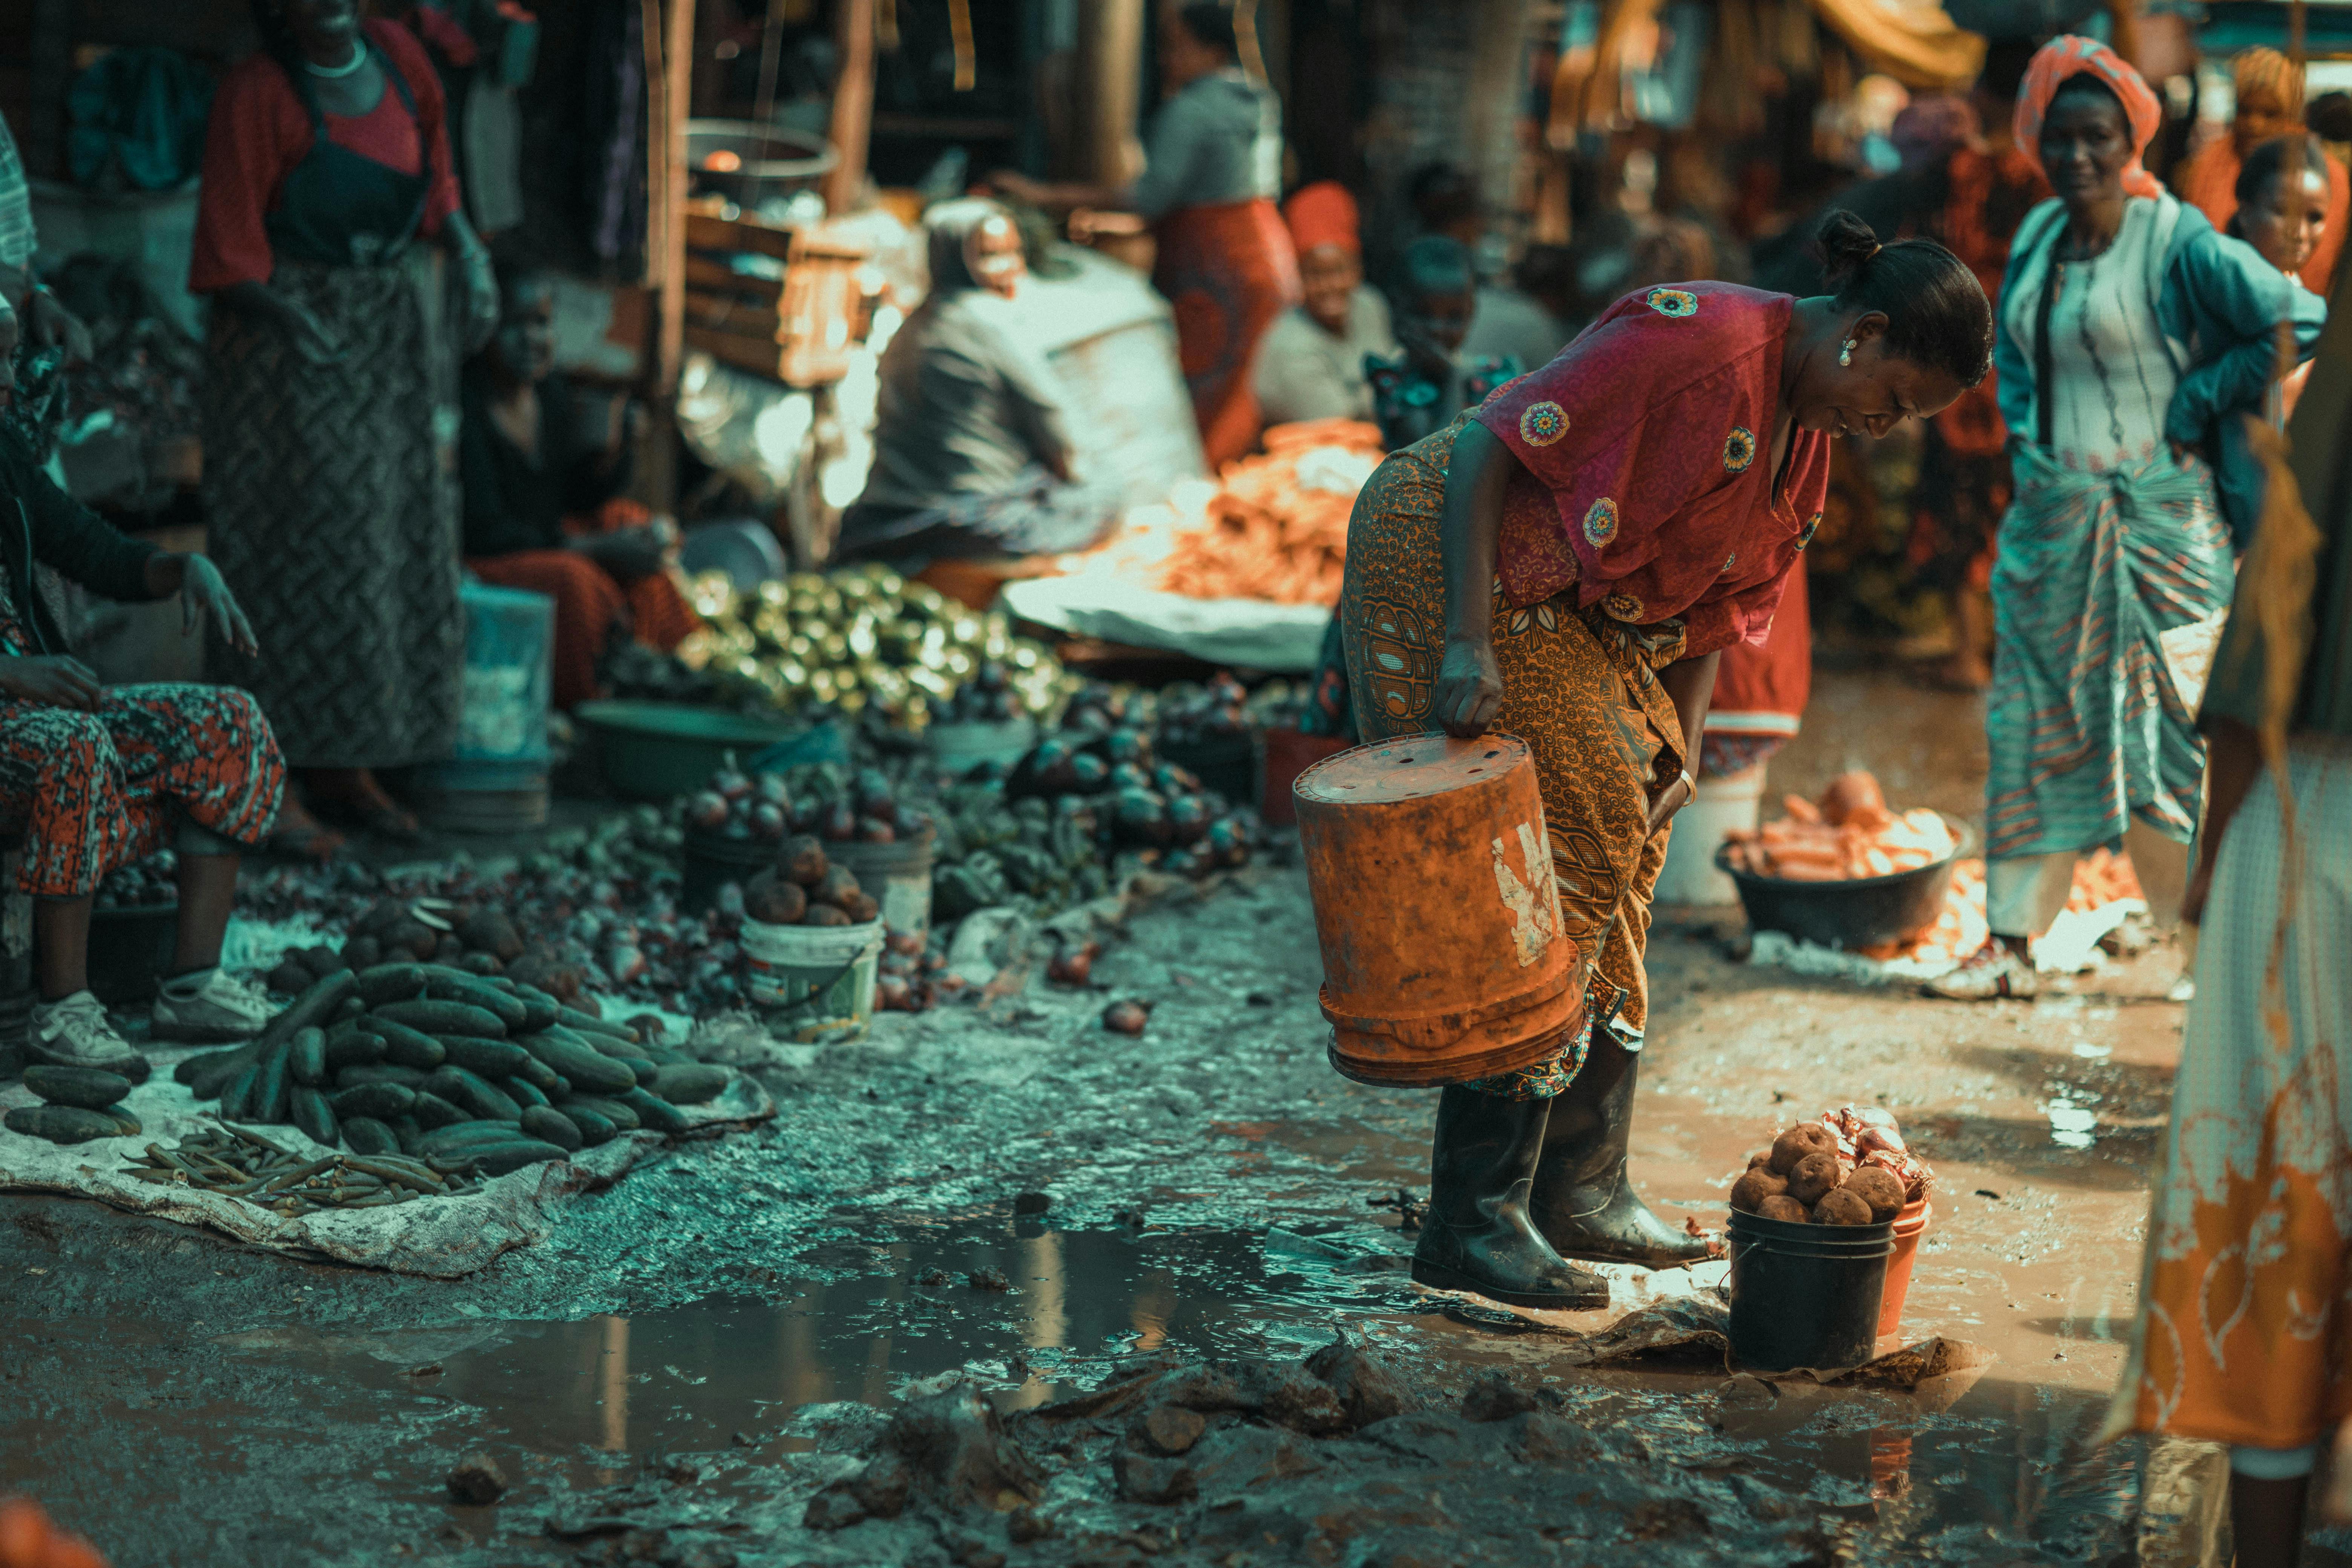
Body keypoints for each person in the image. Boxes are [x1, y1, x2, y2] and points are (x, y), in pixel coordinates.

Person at [1339, 211, 1991, 1307]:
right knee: (1574, 843)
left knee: (1632, 827)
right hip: (1451, 551)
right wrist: (1463, 639)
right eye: (1890, 399)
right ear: (1861, 332)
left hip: (1574, 600)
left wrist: (1676, 745)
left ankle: (1579, 1189)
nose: (1881, 426)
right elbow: (1490, 447)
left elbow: (1725, 610)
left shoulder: (1807, 445)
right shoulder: (1699, 337)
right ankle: (1472, 1216)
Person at [1925, 37, 2325, 1003]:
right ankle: (2011, 945)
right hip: (2054, 521)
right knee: (2030, 720)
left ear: (2130, 137)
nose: (2076, 155)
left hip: (2166, 524)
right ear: (2035, 138)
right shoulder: (2033, 241)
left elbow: (2300, 314)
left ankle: (2202, 948)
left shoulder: (2175, 235)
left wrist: (2199, 397)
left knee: (2177, 732)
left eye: (2096, 134)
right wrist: (2030, 448)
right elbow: (2012, 360)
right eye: (2057, 136)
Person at [2102, 255, 2352, 1568]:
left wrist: (2205, 866)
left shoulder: (2325, 413)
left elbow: (2264, 646)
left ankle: (2268, 1535)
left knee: (2285, 1186)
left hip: (2312, 817)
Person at [190, 0, 499, 854]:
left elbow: (437, 180)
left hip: (388, 335)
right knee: (297, 549)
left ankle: (348, 765)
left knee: (389, 544)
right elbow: (226, 250)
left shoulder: (400, 57)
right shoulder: (258, 93)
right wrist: (296, 323)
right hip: (284, 349)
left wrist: (469, 254)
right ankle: (268, 778)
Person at [0, 317, 285, 1072]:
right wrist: (11, 674)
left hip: (35, 704)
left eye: (7, 360)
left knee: (227, 721)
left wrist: (180, 568)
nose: (6, 383)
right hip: (22, 711)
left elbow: (88, 545)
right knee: (74, 742)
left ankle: (192, 986)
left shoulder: (5, 455)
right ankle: (62, 1013)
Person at [990, 4, 1295, 467]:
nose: (1167, 61)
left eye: (1177, 48)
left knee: (1210, 400)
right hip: (1268, 260)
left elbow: (1150, 199)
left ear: (1210, 51)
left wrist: (1044, 195)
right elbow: (1196, 196)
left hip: (1218, 274)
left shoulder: (1191, 109)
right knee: (1248, 391)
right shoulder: (1255, 100)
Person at [835, 199, 1118, 577]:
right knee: (1105, 491)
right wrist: (1073, 478)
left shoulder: (908, 327)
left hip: (891, 515)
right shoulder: (988, 321)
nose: (1011, 268)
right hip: (967, 518)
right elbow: (1059, 435)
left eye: (1014, 253)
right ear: (952, 258)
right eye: (990, 256)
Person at [459, 265, 695, 712]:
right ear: (485, 328)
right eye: (514, 325)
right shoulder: (469, 408)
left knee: (632, 523)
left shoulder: (549, 393)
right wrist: (590, 548)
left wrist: (618, 450)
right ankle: (598, 694)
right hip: (492, 556)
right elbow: (486, 531)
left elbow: (579, 496)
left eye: (541, 323)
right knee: (575, 580)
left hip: (549, 536)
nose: (532, 339)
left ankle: (662, 663)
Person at [1909, 38, 2050, 692]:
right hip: (2025, 368)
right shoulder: (2047, 178)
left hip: (1963, 358)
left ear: (1985, 94)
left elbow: (1929, 258)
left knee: (1960, 500)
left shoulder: (1958, 170)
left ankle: (1968, 653)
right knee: (2012, 503)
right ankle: (2004, 651)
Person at [2179, 46, 2351, 297]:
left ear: (2292, 117)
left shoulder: (2325, 175)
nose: (2254, 124)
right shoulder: (2209, 164)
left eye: (2270, 114)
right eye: (2245, 110)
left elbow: (2321, 264)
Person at [1250, 181, 1396, 427]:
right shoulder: (1289, 345)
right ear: (1299, 277)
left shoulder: (1370, 306)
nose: (1330, 286)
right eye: (1315, 275)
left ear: (1357, 269)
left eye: (1340, 271)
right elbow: (1340, 424)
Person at [1365, 236, 1517, 452]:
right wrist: (1451, 379)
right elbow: (1433, 459)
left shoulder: (1495, 377)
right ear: (1397, 311)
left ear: (1472, 313)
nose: (1438, 329)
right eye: (1422, 314)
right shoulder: (1391, 380)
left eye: (1454, 317)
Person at [2228, 133, 2332, 425]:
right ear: (2246, 212)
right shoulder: (2211, 296)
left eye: (2314, 218)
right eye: (2282, 212)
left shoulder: (2304, 307)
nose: (2299, 234)